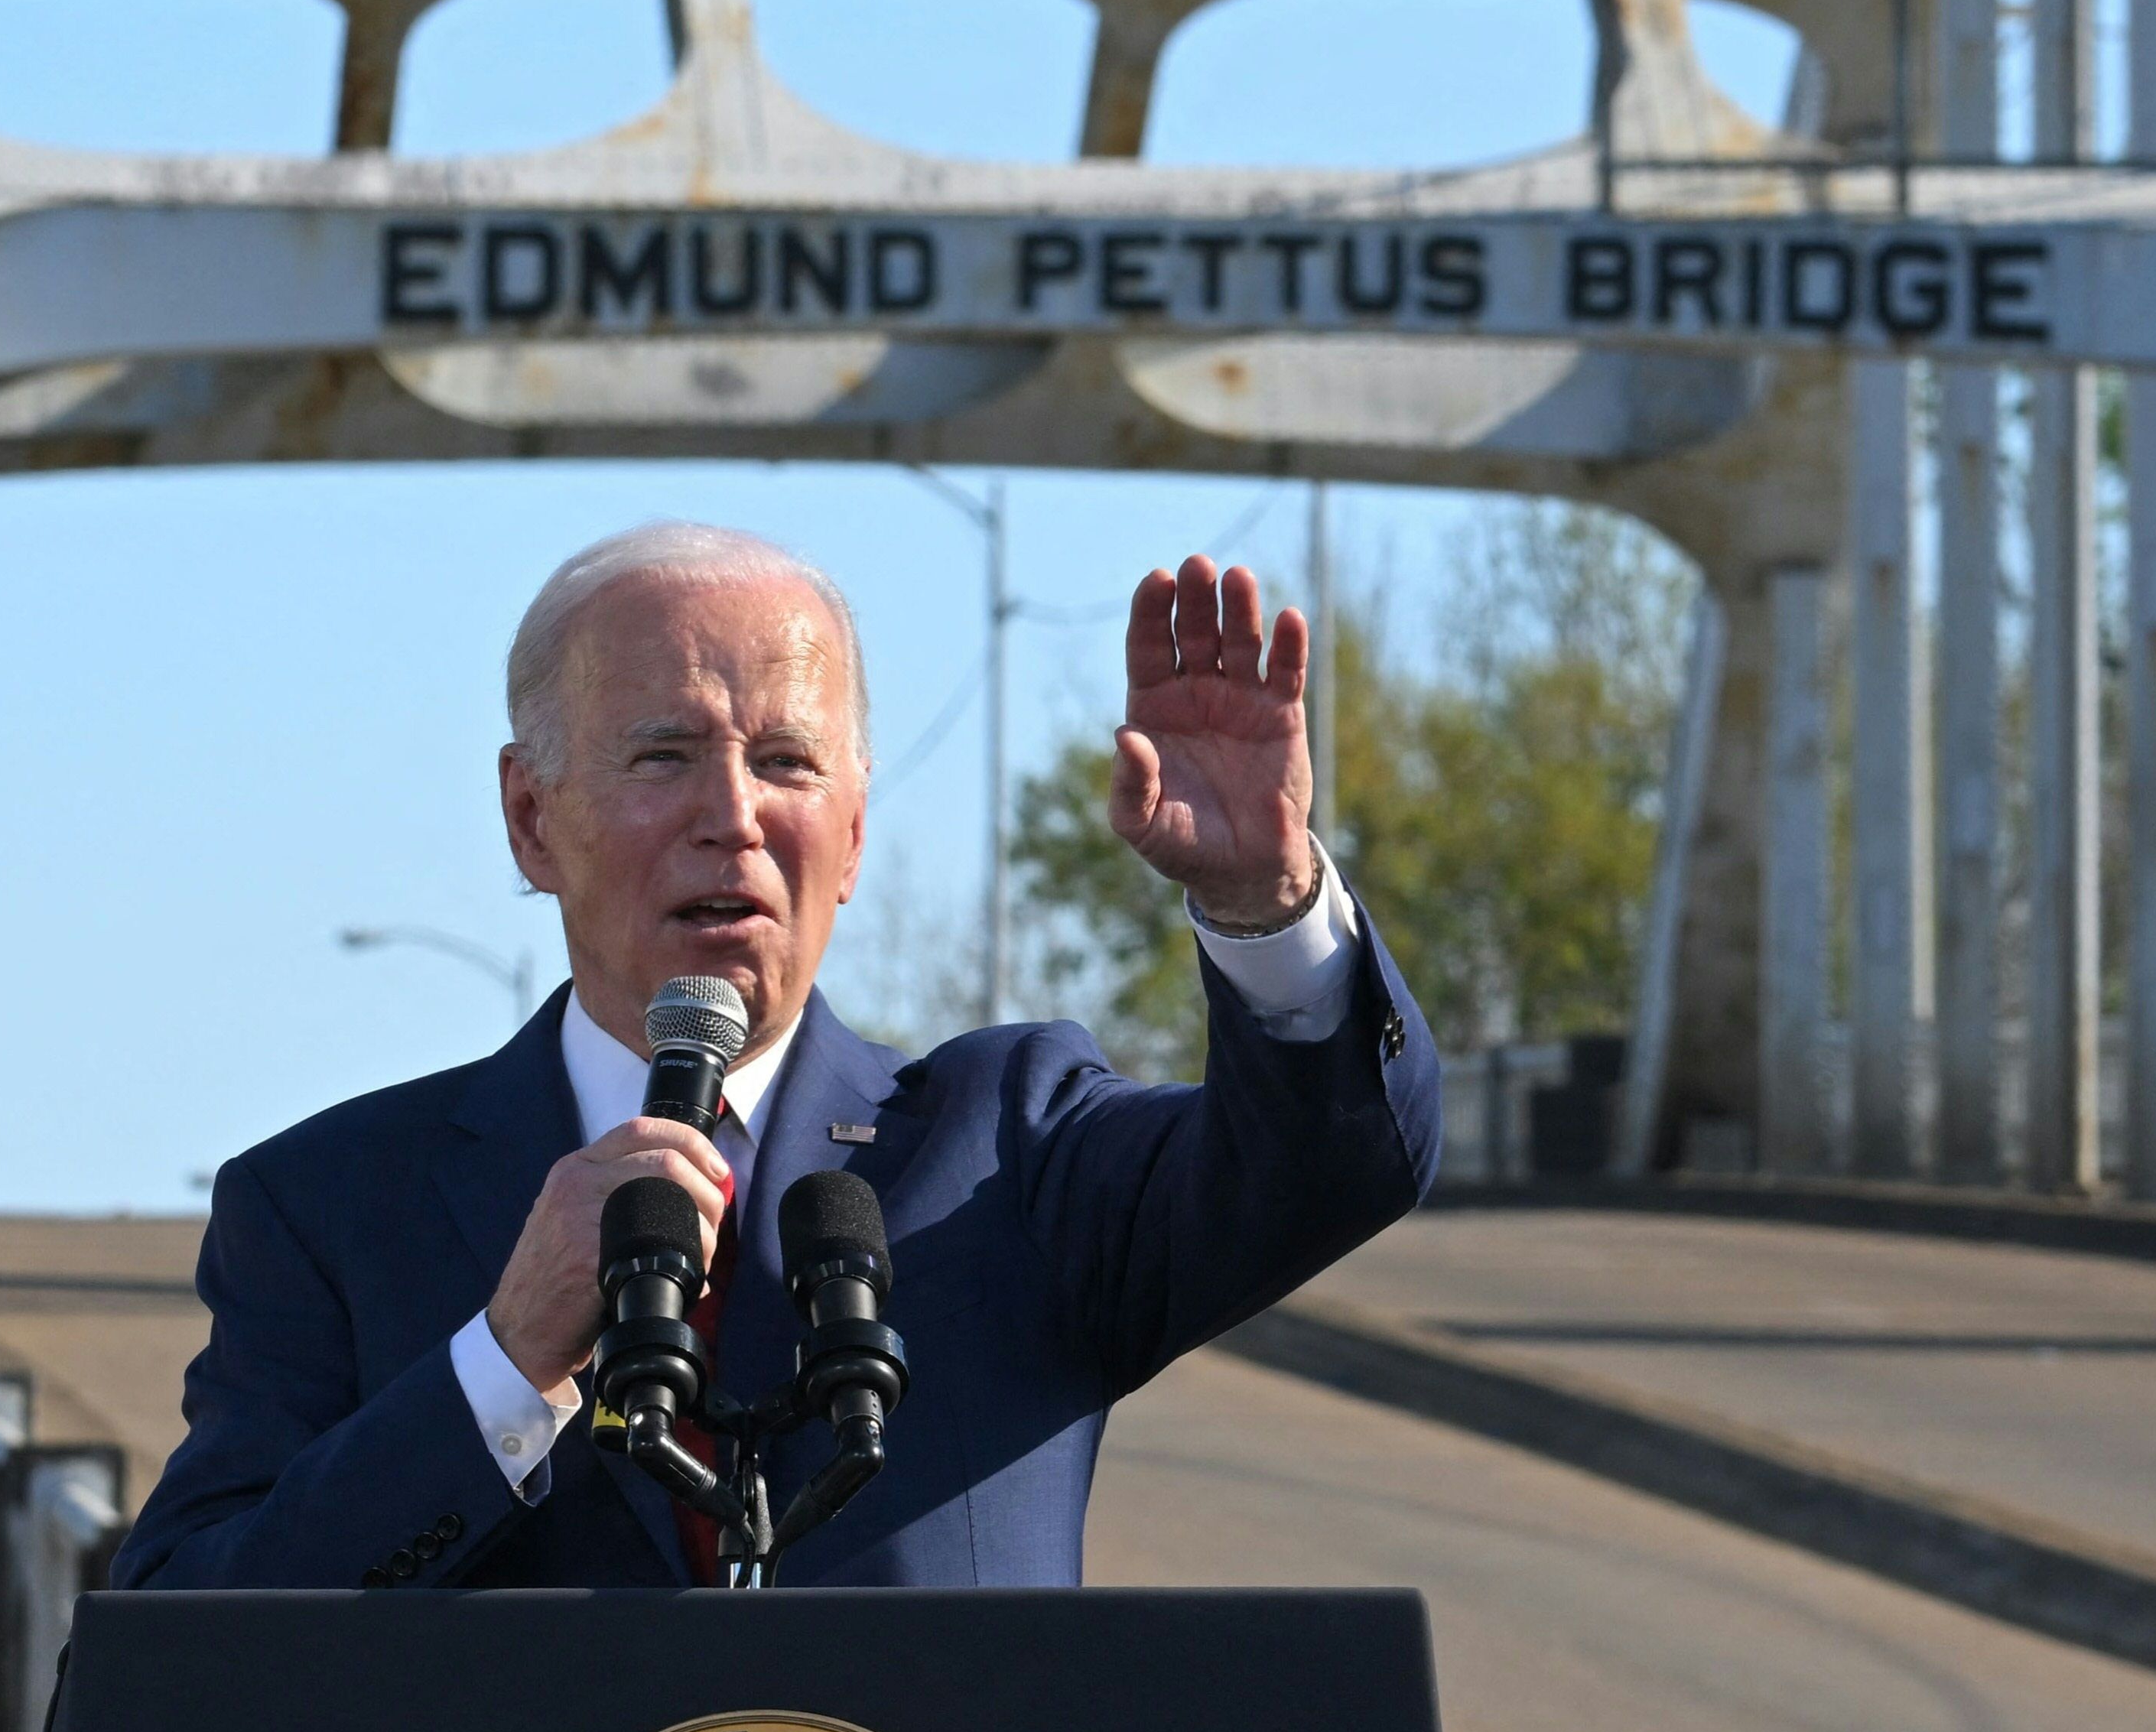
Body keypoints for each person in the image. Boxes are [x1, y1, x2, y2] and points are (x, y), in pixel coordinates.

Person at [112, 523, 1439, 1593]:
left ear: (852, 838)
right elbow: (193, 1639)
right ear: (530, 819)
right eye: (664, 756)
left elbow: (1330, 1164)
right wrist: (505, 1361)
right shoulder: (330, 1206)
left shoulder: (1011, 1150)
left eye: (788, 763)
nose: (733, 818)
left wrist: (1266, 907)